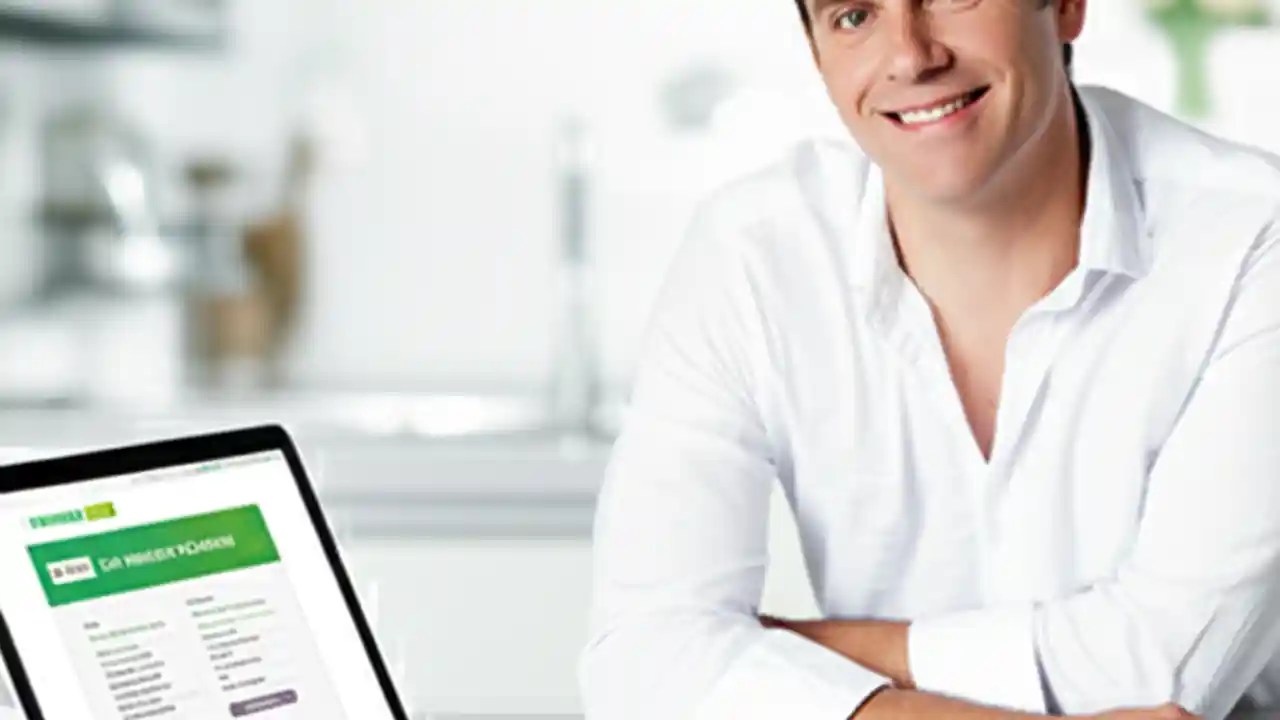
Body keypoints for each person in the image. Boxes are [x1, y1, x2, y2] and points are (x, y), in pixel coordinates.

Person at [579, 0, 1280, 718]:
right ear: (817, 53)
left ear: (1067, 6)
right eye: (853, 16)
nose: (911, 55)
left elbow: (1166, 673)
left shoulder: (1253, 235)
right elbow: (638, 670)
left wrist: (785, 665)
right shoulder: (754, 254)